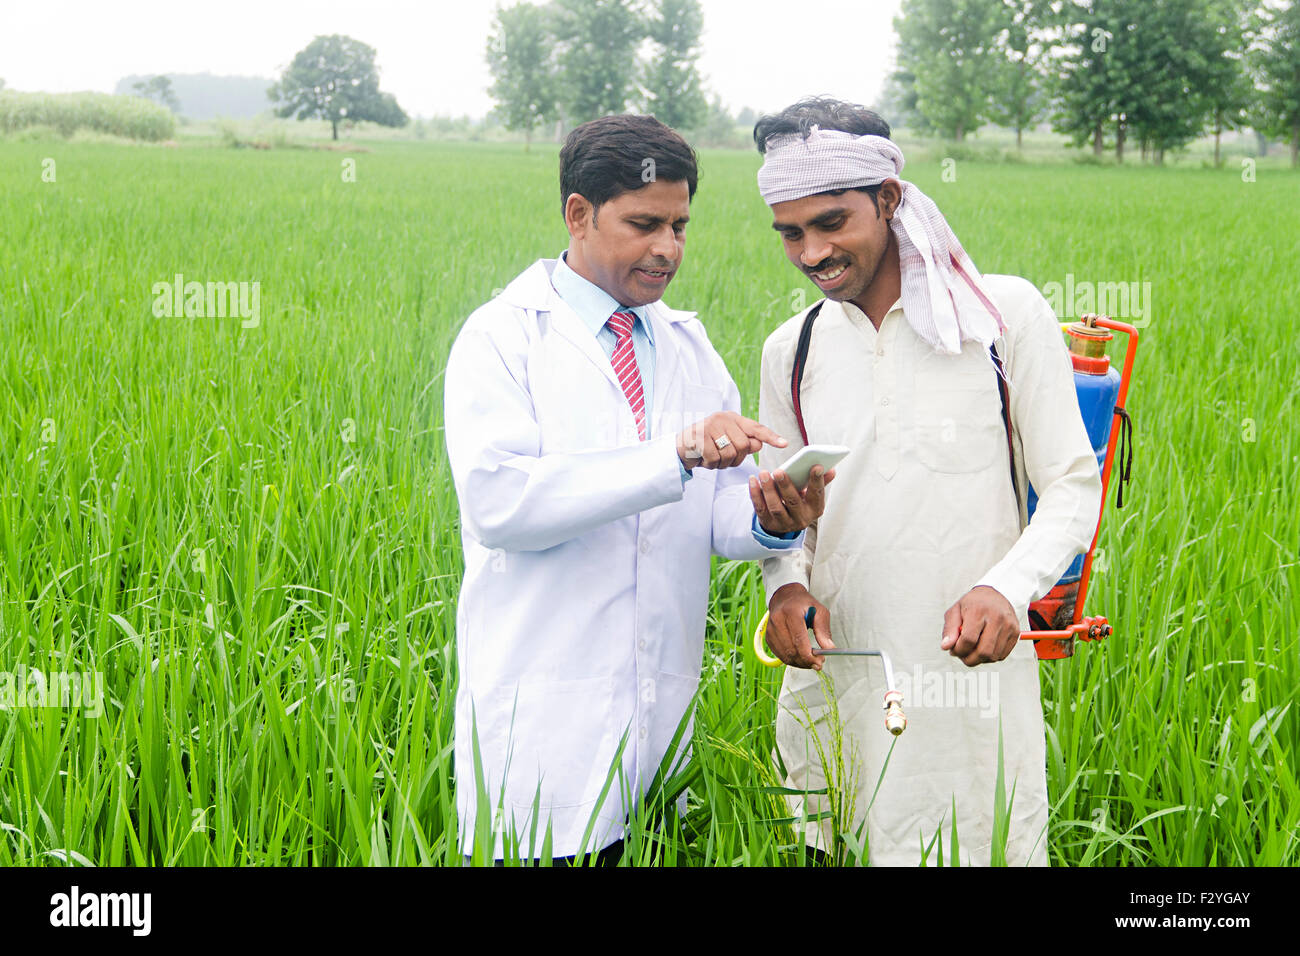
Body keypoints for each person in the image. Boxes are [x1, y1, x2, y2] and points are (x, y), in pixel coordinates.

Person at [444, 114, 832, 865]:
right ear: (578, 215)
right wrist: (674, 456)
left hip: (655, 728)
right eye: (645, 224)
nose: (668, 249)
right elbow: (501, 505)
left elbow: (716, 517)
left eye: (681, 226)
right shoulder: (504, 338)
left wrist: (776, 520)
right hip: (544, 735)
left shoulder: (684, 342)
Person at [752, 98, 1103, 866]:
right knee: (838, 840)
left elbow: (1073, 485)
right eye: (790, 232)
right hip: (841, 678)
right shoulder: (793, 348)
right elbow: (783, 519)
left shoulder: (1000, 317)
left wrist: (1006, 589)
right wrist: (783, 586)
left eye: (831, 222)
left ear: (889, 199)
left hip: (968, 681)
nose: (812, 251)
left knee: (976, 840)